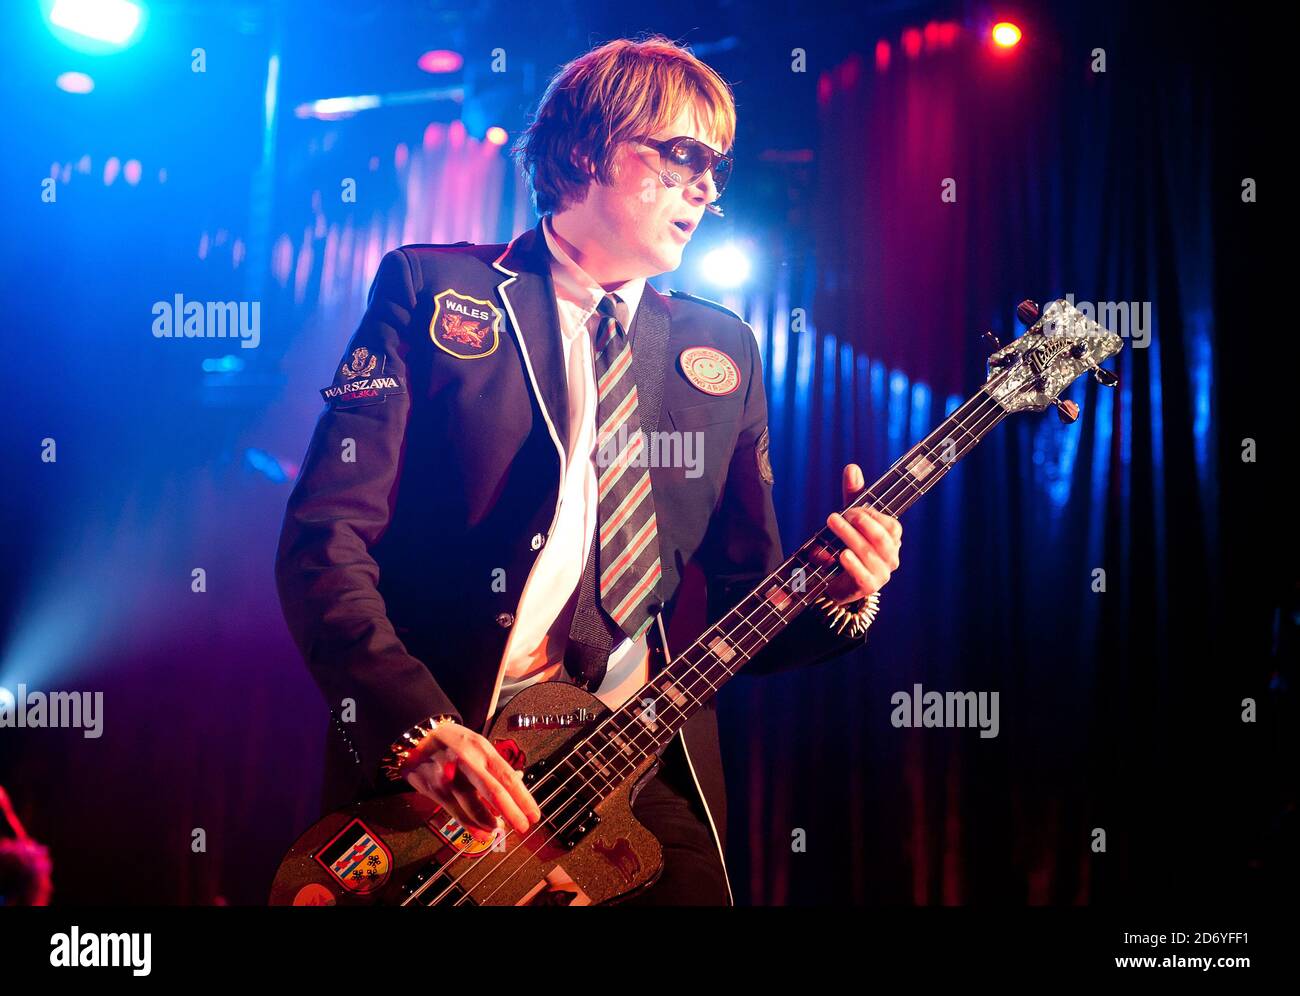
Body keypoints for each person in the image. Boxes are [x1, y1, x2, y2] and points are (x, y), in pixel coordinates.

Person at [275, 34, 901, 906]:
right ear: (585, 152)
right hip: (459, 757)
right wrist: (418, 726)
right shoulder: (430, 289)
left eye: (716, 166)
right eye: (683, 155)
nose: (708, 187)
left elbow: (747, 600)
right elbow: (324, 542)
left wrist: (842, 595)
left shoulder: (723, 347)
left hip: (636, 760)